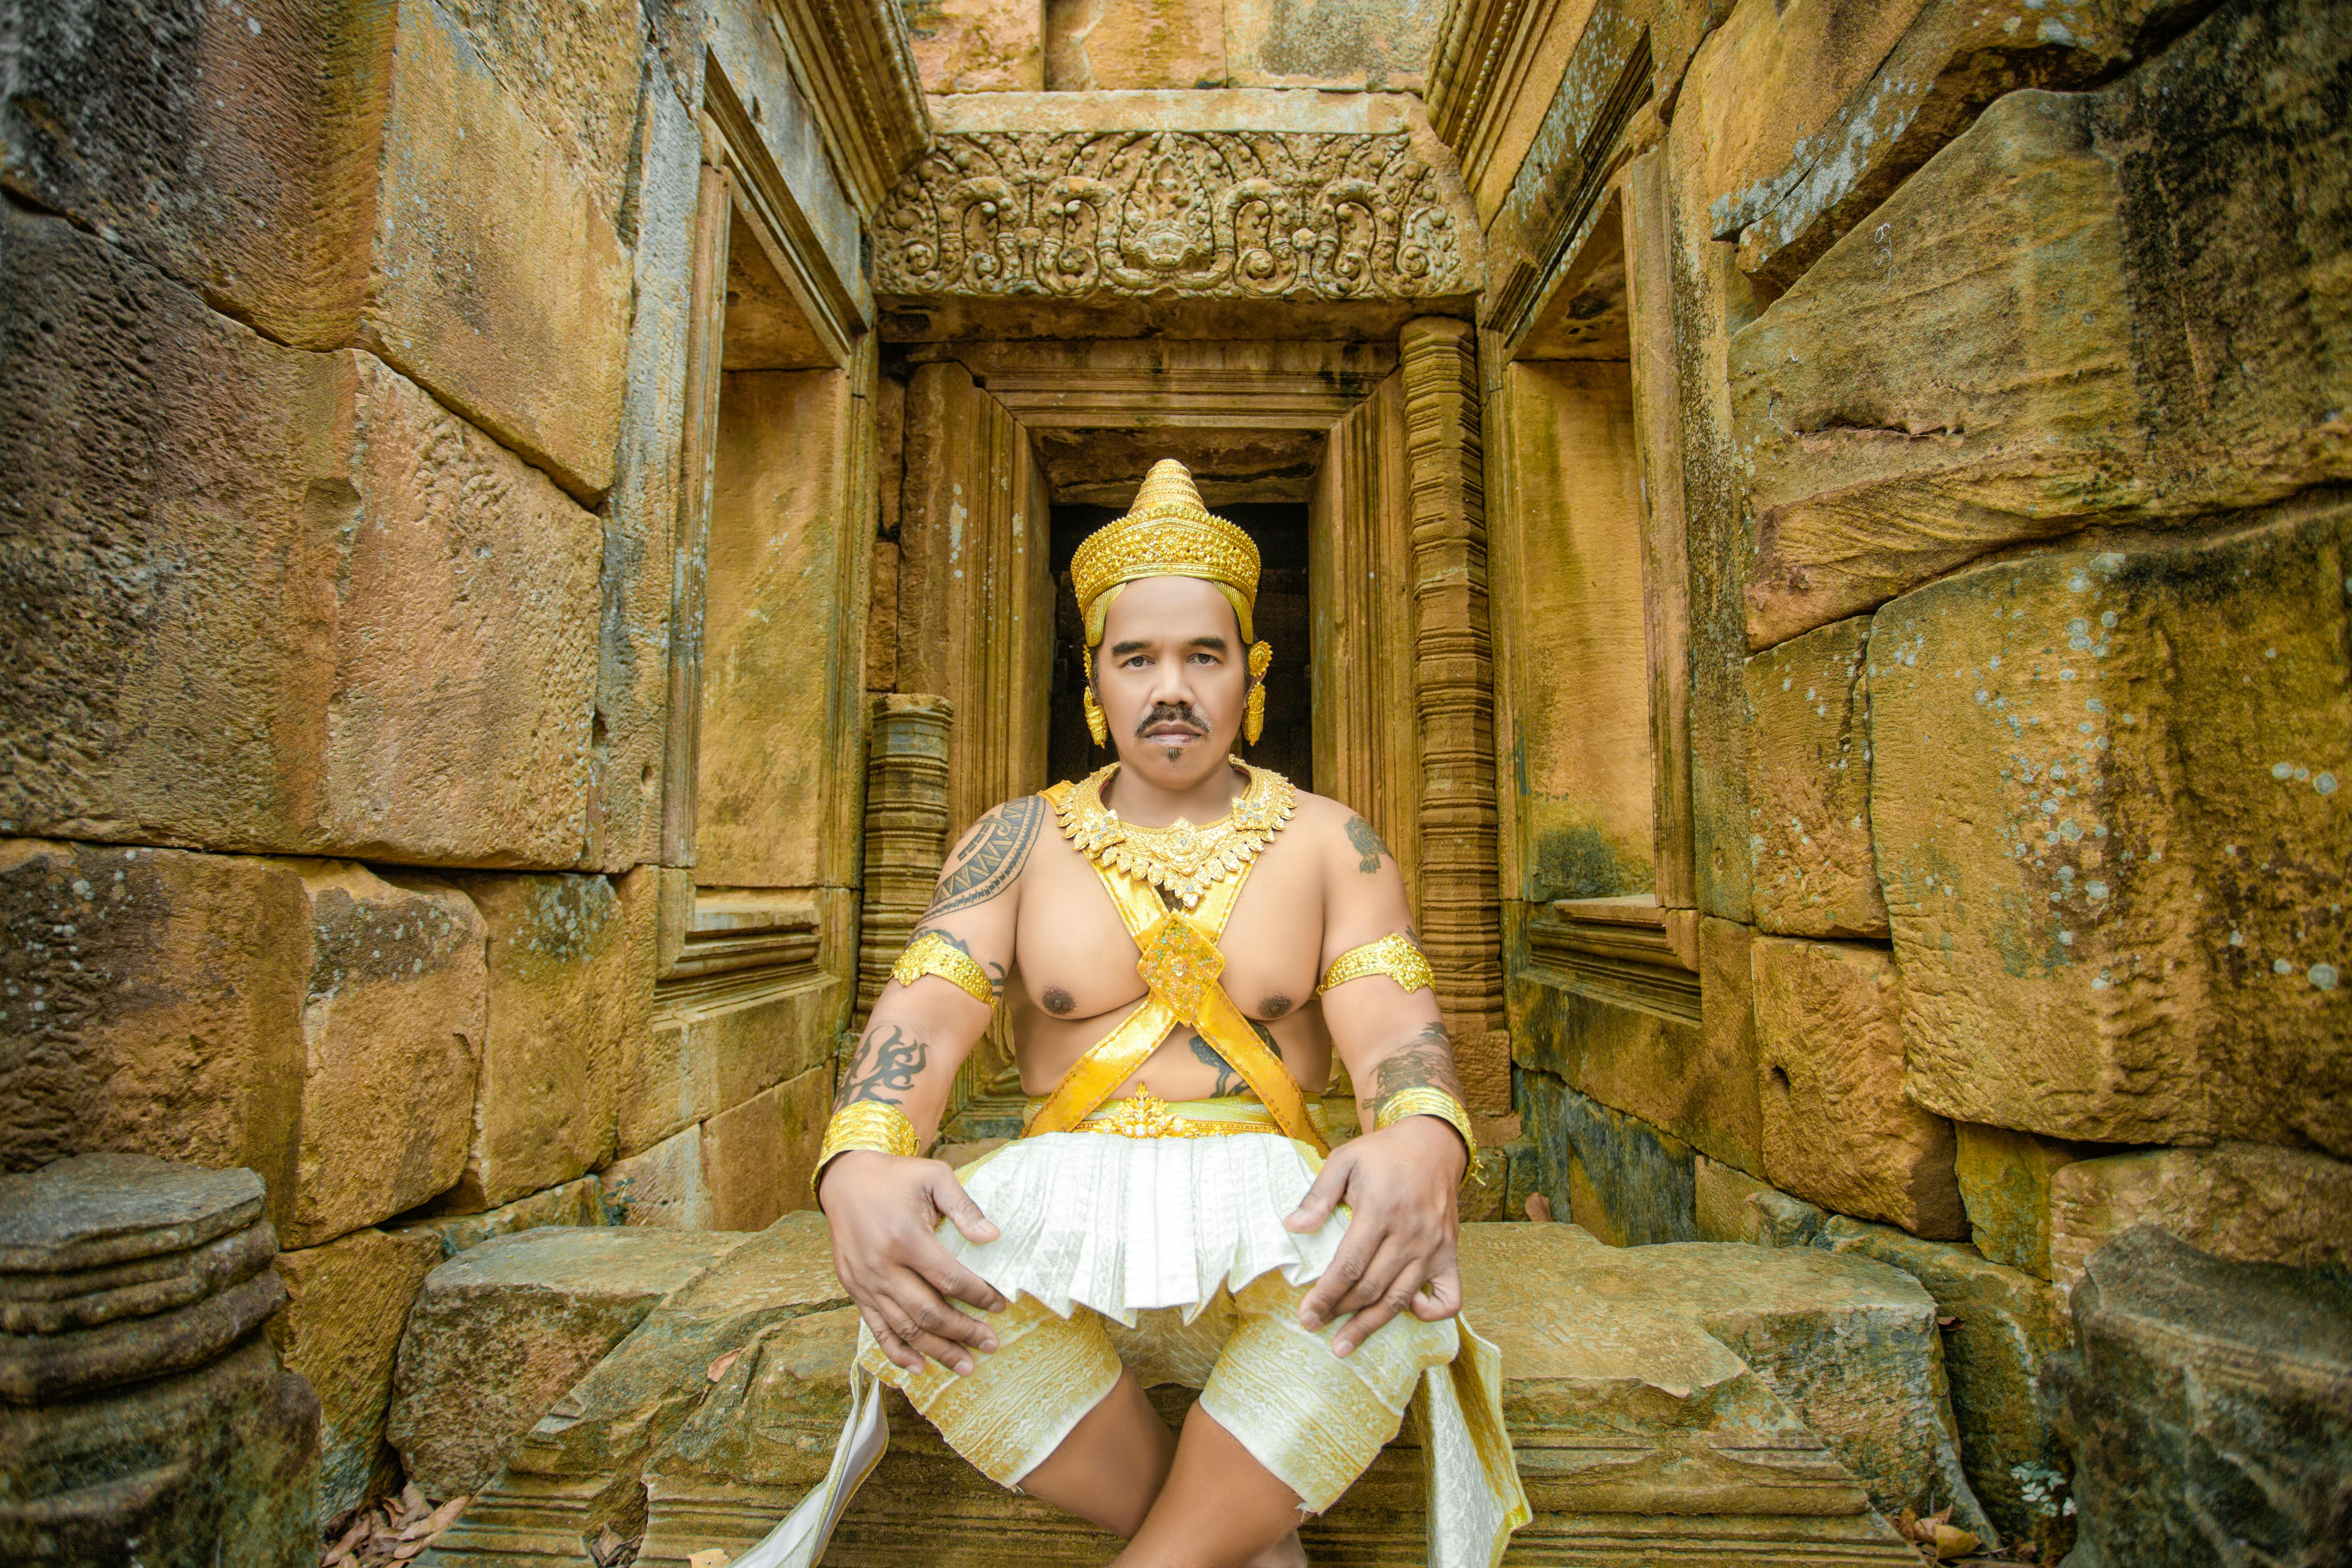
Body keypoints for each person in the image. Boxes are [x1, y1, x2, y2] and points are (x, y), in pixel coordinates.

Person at [733, 461, 1526, 1568]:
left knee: (1391, 1293)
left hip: (1275, 1197)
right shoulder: (1012, 841)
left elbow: (1397, 1037)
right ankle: (1234, 1545)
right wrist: (857, 1164)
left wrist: (1428, 1140)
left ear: (1252, 675)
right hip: (1065, 1185)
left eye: (1203, 657)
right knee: (921, 1293)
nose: (1171, 688)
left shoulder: (1331, 841)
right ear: (1094, 682)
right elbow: (924, 1008)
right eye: (1136, 658)